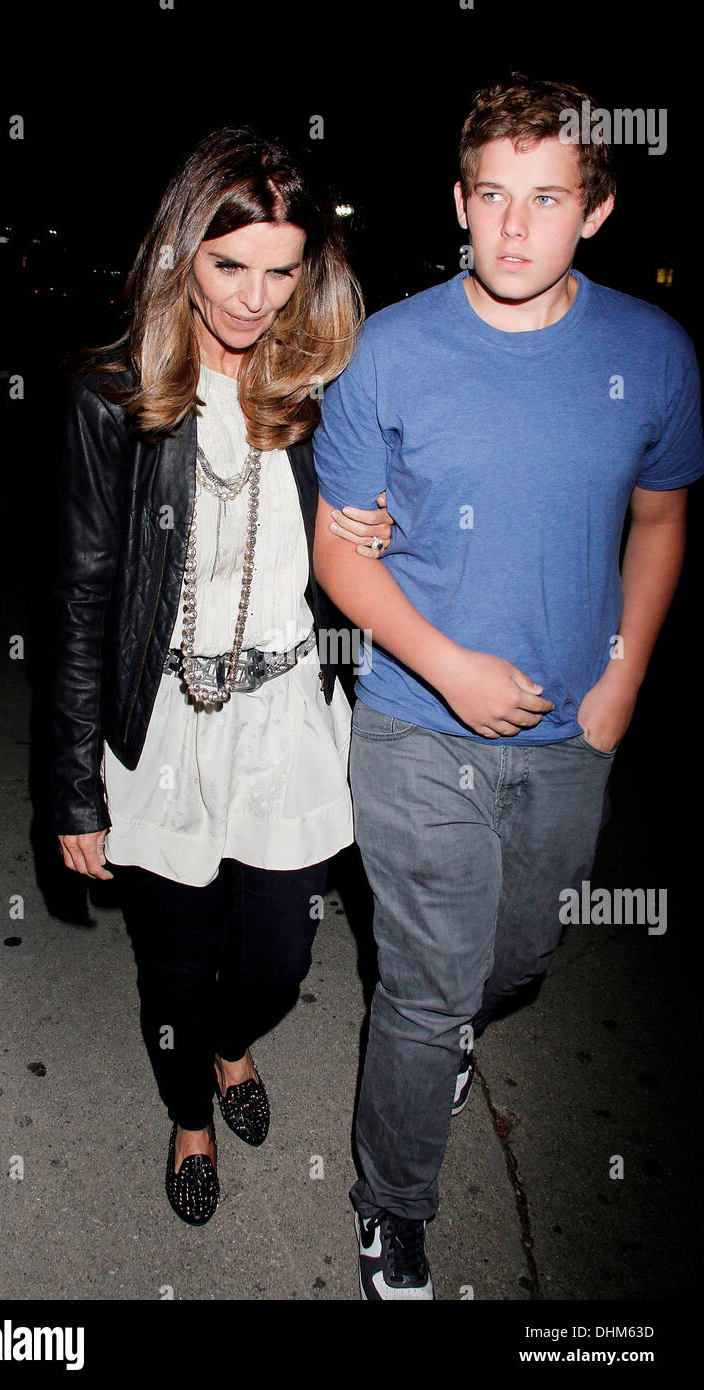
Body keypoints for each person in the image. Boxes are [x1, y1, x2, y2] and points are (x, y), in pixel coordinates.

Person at [313, 75, 704, 1298]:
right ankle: (393, 1210)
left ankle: (456, 1033)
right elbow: (338, 548)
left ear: (597, 209)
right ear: (459, 203)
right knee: (424, 988)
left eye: (547, 198)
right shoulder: (388, 351)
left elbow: (662, 519)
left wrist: (624, 681)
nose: (515, 226)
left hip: (571, 732)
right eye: (493, 196)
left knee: (521, 956)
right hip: (416, 723)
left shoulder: (653, 352)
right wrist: (448, 666)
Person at [49, 126, 392, 1227]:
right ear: (181, 252)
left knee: (280, 958)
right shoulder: (115, 395)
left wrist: (382, 532)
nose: (253, 298)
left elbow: (385, 534)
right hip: (166, 722)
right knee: (175, 961)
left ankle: (232, 1041)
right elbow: (81, 601)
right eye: (229, 264)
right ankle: (190, 1113)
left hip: (287, 713)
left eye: (281, 270)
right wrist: (73, 789)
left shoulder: (327, 388)